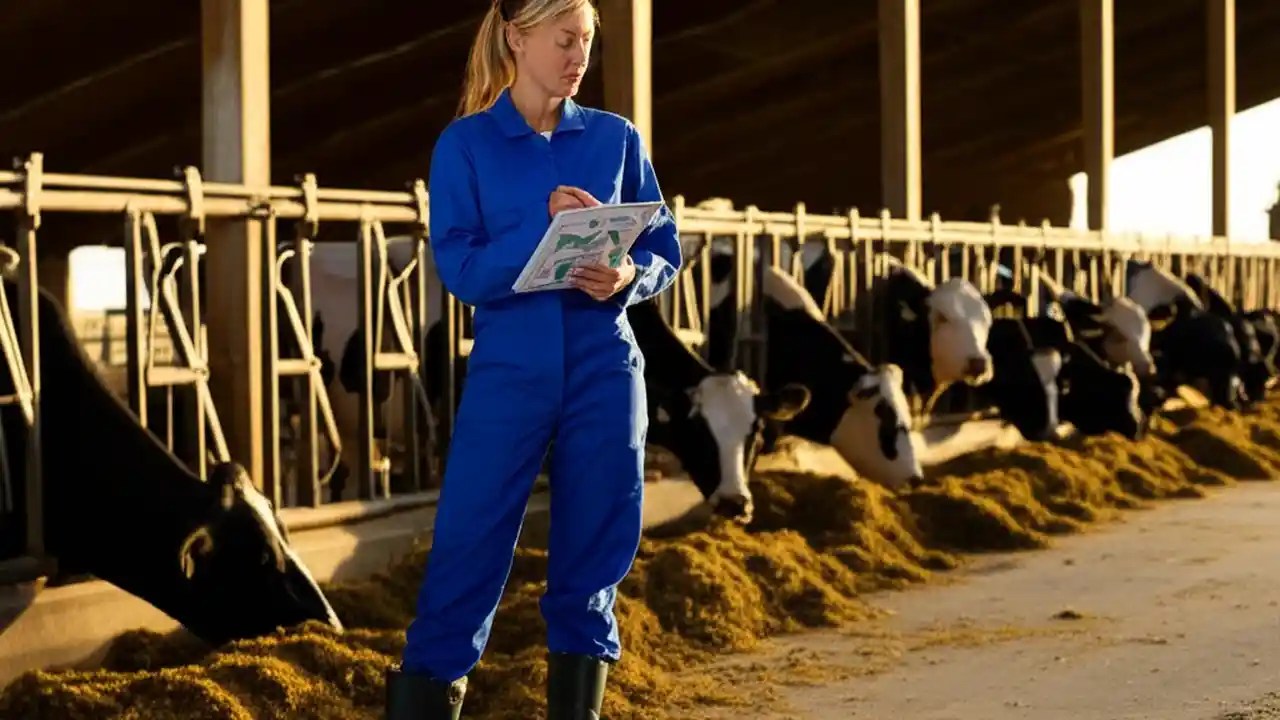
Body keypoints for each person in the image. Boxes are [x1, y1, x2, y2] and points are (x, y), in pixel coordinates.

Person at [384, 0, 682, 718]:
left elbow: (663, 247)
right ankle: (431, 687)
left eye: (587, 40)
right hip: (509, 371)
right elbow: (459, 269)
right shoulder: (466, 147)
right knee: (467, 549)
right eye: (565, 39)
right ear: (517, 38)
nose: (579, 55)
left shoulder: (615, 139)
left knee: (594, 560)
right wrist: (543, 237)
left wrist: (628, 278)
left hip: (604, 366)